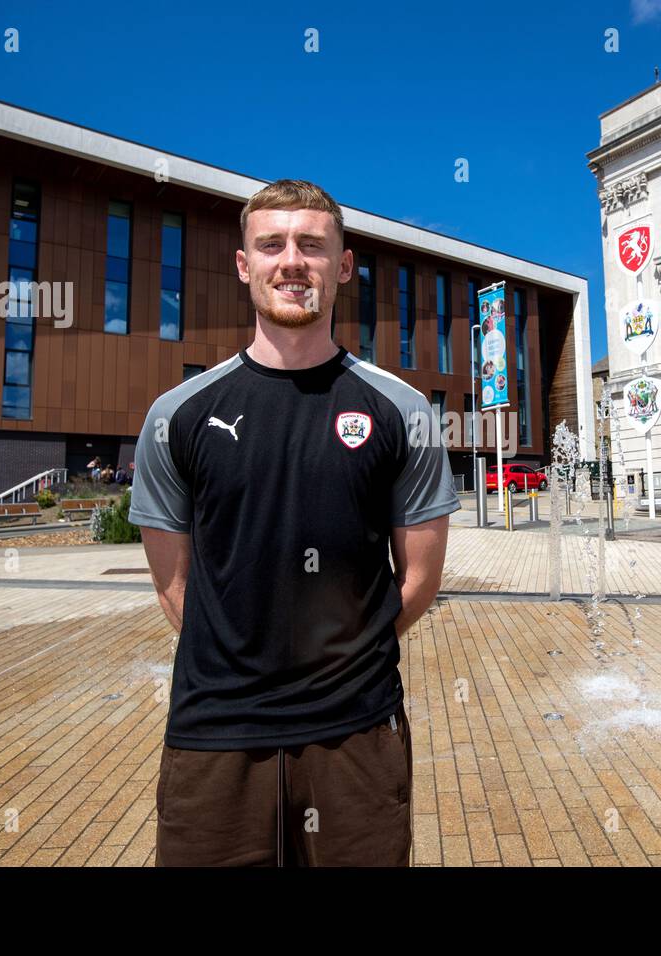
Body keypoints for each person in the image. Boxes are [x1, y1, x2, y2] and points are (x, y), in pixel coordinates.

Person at [130, 180, 460, 867]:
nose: (292, 261)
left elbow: (420, 581)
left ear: (343, 266)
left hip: (356, 736)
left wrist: (342, 657)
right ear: (243, 264)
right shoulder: (177, 415)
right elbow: (174, 589)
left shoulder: (403, 413)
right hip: (214, 735)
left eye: (312, 245)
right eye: (271, 244)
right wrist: (246, 662)